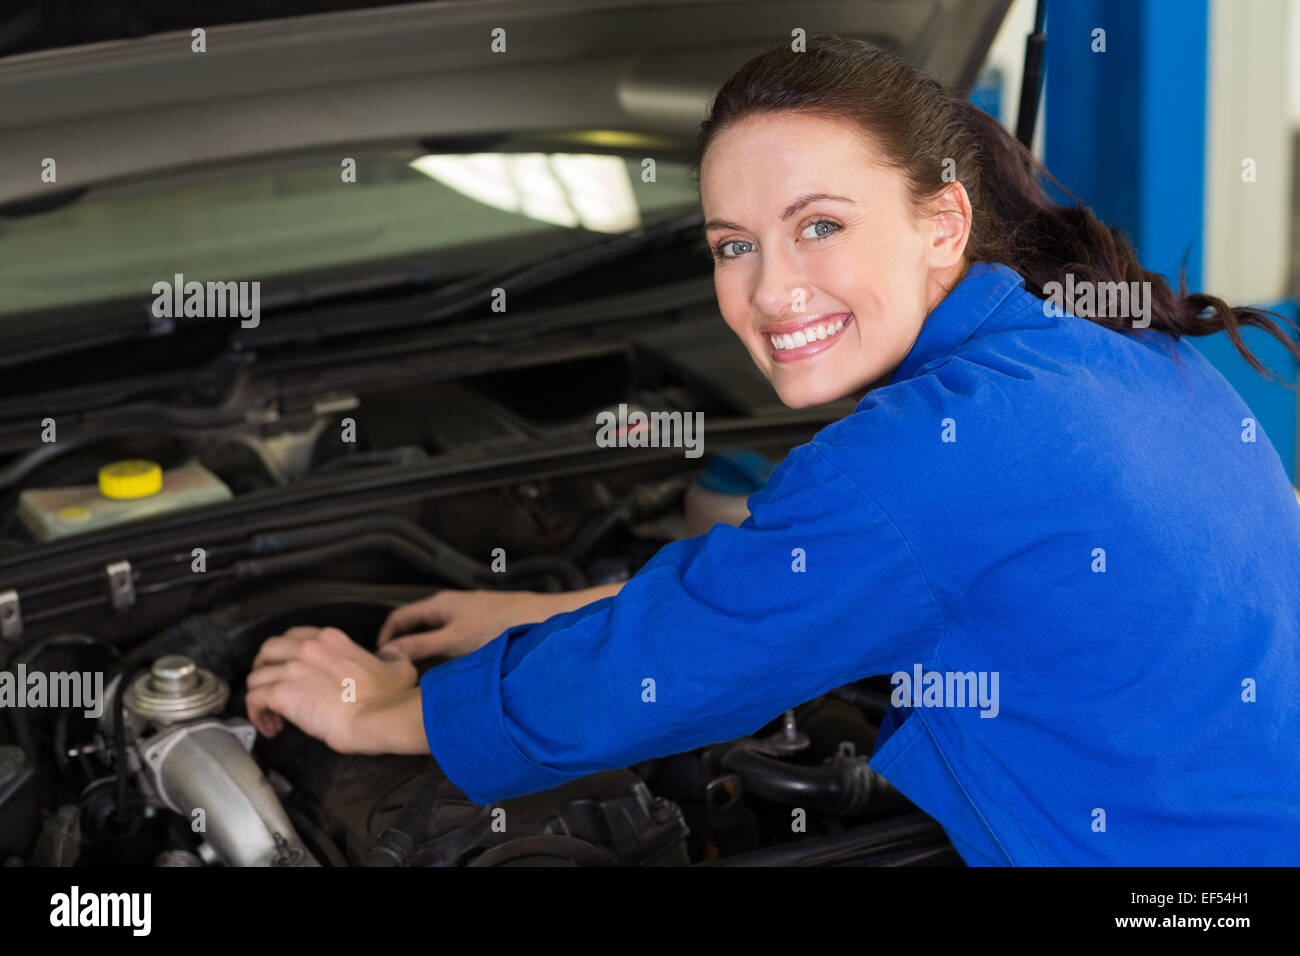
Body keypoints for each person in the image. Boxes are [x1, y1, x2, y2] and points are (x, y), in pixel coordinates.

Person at [245, 35, 1300, 865]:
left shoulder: (926, 451)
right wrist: (541, 612)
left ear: (942, 223)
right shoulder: (1113, 356)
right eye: (732, 245)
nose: (769, 289)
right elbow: (807, 590)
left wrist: (394, 709)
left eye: (821, 225)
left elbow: (670, 669)